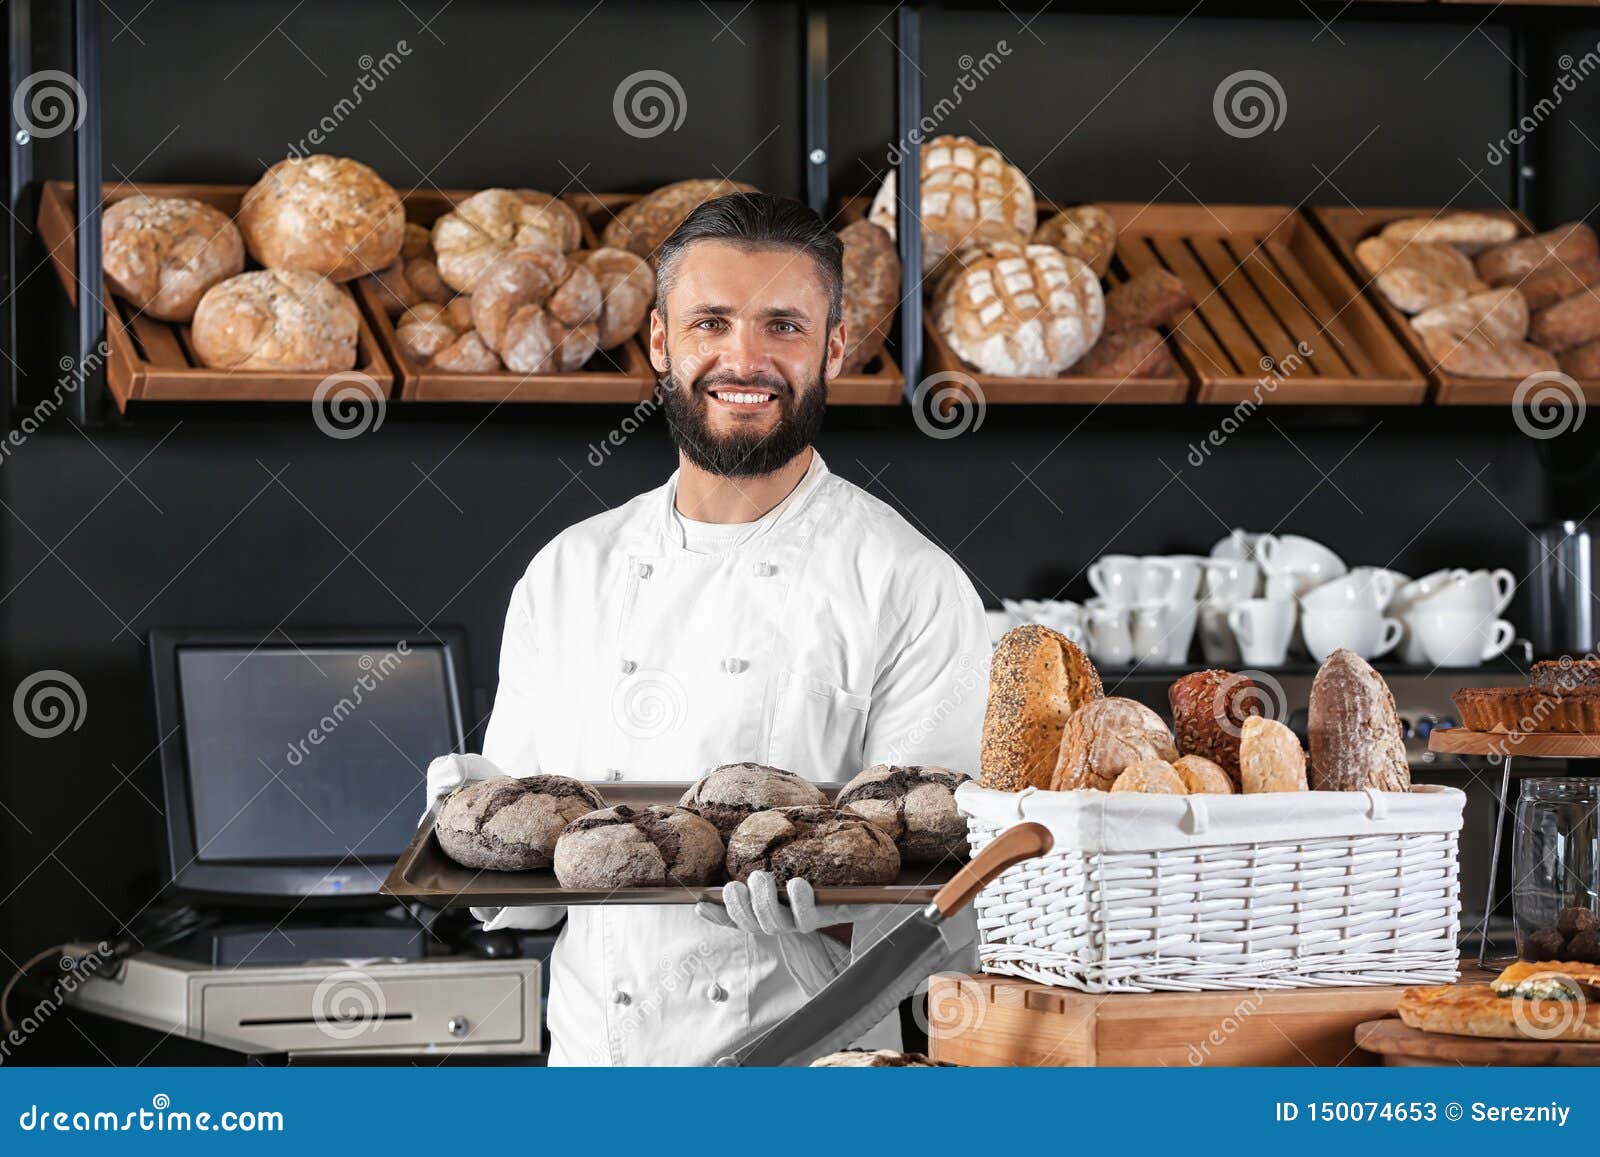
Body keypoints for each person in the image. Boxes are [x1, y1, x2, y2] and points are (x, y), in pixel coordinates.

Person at [425, 192, 989, 1066]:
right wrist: (460, 830)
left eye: (784, 326)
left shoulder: (910, 583)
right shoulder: (571, 571)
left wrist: (830, 942)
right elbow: (533, 882)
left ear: (834, 346)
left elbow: (947, 895)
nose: (744, 358)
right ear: (661, 340)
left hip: (814, 1077)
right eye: (712, 322)